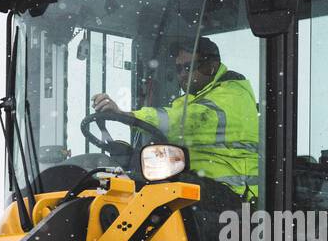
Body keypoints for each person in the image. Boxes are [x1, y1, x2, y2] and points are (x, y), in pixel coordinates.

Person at [92, 37, 259, 197]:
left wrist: (126, 115)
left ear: (210, 67)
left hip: (233, 194)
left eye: (189, 67)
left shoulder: (232, 95)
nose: (182, 74)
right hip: (201, 186)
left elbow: (183, 121)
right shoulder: (195, 98)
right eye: (179, 69)